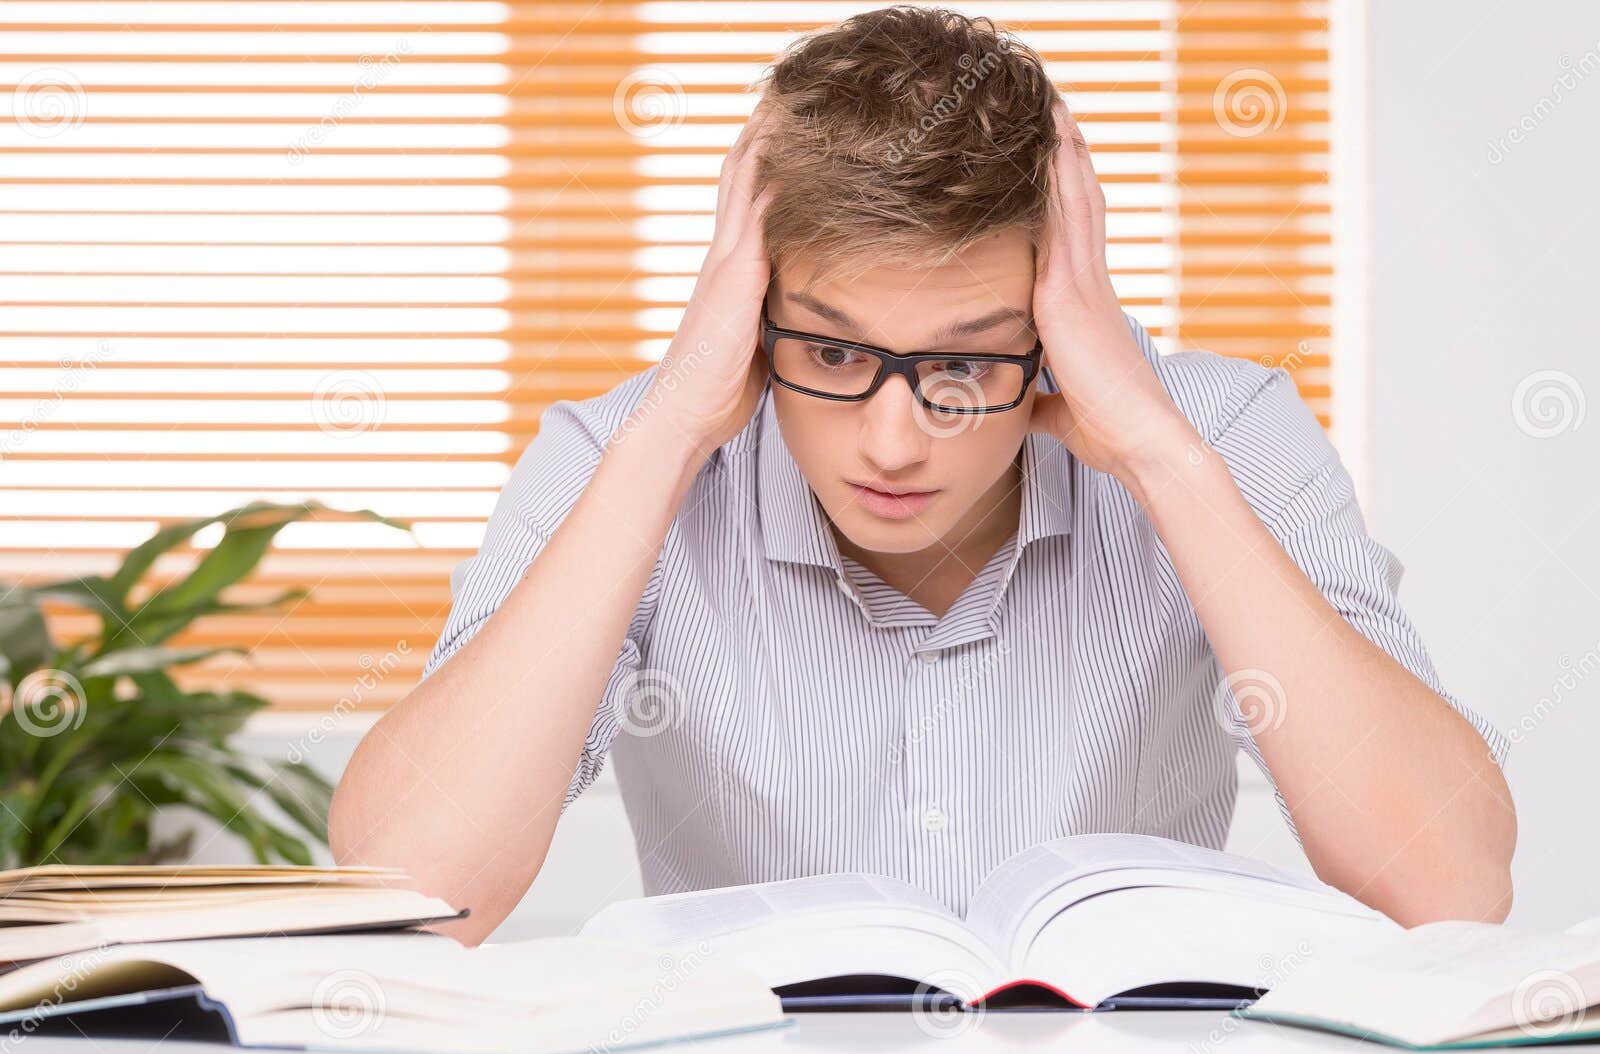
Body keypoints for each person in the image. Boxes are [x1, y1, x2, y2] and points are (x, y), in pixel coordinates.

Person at [330, 7, 1514, 944]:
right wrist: (669, 431)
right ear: (752, 312)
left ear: (1057, 317)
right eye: (833, 349)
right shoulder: (628, 453)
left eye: (964, 358)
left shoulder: (1214, 430)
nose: (894, 442)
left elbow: (1449, 885)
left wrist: (1162, 460)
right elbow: (415, 887)